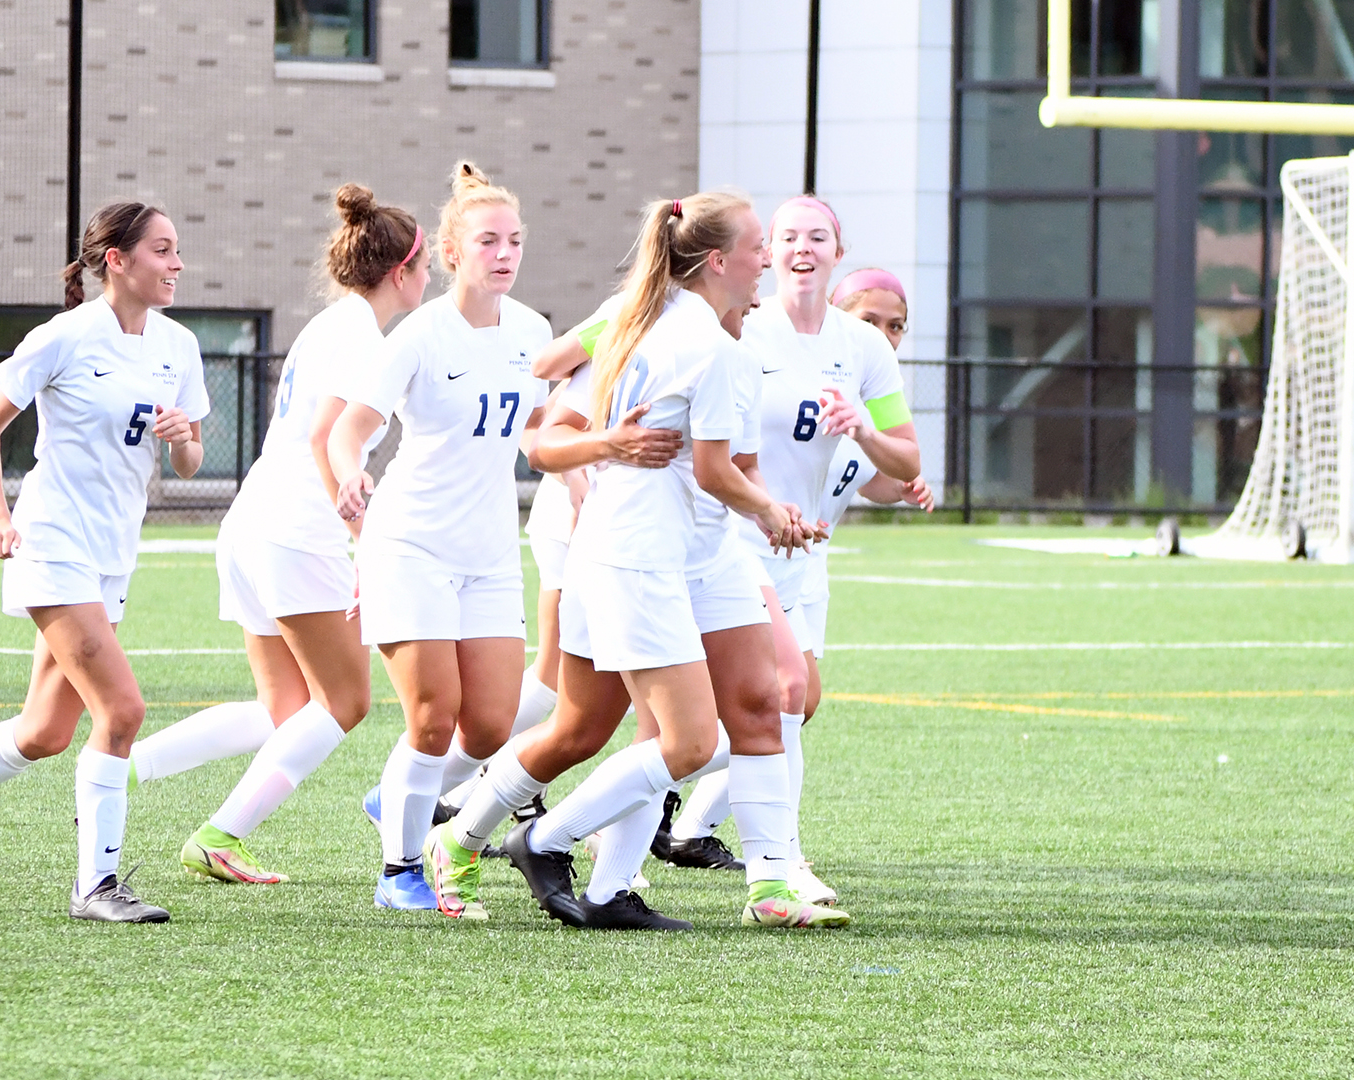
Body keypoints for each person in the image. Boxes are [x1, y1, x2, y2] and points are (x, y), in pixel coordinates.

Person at [435, 191, 847, 930]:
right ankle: (533, 839)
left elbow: (725, 473)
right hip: (636, 558)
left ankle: (769, 887)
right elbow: (551, 441)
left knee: (759, 705)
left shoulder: (717, 342)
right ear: (718, 261)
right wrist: (764, 509)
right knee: (666, 740)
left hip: (703, 552)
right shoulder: (663, 335)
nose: (768, 262)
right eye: (759, 248)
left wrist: (773, 516)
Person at [0, 201, 209, 923]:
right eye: (162, 250)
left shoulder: (178, 345)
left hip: (113, 553)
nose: (177, 264)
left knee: (43, 733)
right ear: (116, 260)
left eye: (178, 251)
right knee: (122, 711)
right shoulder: (65, 336)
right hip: (52, 541)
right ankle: (96, 887)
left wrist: (183, 438)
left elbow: (188, 461)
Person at [143, 183, 430, 885]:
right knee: (348, 702)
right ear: (403, 272)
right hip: (297, 530)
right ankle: (219, 835)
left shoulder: (329, 327)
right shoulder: (363, 336)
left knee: (285, 709)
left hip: (252, 522)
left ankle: (124, 766)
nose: (431, 280)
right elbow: (330, 440)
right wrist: (360, 537)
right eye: (428, 267)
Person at [668, 204, 924, 908]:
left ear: (838, 248)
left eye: (817, 236)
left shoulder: (862, 347)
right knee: (784, 695)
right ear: (769, 253)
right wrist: (763, 510)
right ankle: (778, 866)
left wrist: (865, 430)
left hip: (803, 554)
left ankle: (637, 813)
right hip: (736, 540)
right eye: (787, 237)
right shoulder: (745, 329)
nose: (802, 248)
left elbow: (904, 461)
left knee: (780, 708)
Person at [325, 162, 553, 912]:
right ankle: (399, 872)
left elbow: (546, 436)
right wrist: (350, 473)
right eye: (488, 240)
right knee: (431, 718)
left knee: (488, 728)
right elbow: (348, 431)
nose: (505, 252)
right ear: (453, 251)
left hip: (488, 551)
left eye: (515, 240)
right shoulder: (419, 334)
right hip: (409, 544)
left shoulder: (534, 332)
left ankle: (396, 795)